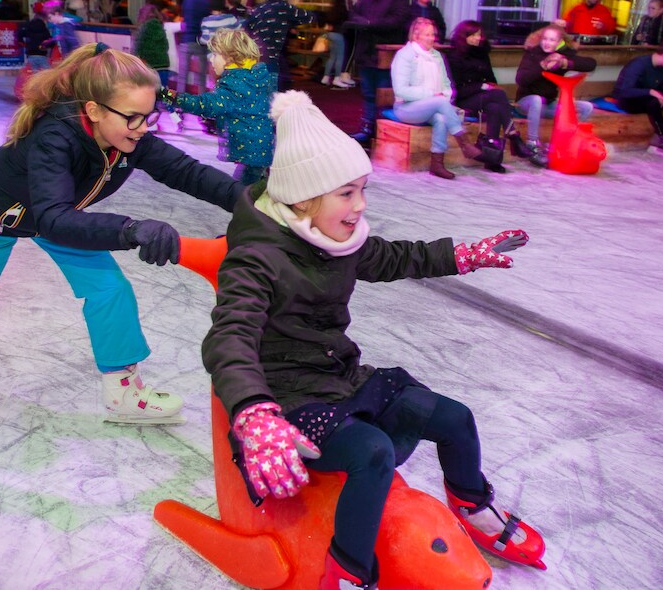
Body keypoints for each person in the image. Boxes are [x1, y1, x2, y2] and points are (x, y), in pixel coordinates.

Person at [202, 90, 542, 589]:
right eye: (346, 193)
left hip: (339, 379)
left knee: (454, 417)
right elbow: (229, 337)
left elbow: (397, 257)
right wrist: (254, 413)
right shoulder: (256, 260)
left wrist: (463, 255)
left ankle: (472, 503)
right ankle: (348, 571)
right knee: (373, 452)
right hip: (284, 402)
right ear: (302, 197)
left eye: (363, 189)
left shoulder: (337, 239)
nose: (360, 206)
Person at [0, 43, 243, 432]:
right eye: (133, 117)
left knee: (109, 290)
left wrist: (259, 203)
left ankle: (123, 391)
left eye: (149, 116)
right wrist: (130, 229)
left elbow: (188, 172)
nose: (144, 127)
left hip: (57, 215)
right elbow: (54, 219)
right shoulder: (55, 138)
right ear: (94, 110)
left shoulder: (129, 138)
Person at [160, 28, 274, 186]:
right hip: (261, 151)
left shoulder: (235, 84)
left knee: (238, 199)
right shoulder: (256, 76)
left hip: (252, 156)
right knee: (250, 199)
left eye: (214, 55)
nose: (211, 60)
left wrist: (168, 95)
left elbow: (205, 105)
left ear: (230, 56)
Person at [390, 18, 483, 180]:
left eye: (433, 34)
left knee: (441, 117)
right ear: (416, 35)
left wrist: (445, 96)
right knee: (439, 103)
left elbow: (446, 84)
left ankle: (437, 163)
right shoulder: (405, 55)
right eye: (427, 34)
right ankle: (465, 143)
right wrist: (432, 96)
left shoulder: (437, 56)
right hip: (406, 107)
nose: (432, 38)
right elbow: (401, 90)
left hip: (434, 105)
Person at [446, 20, 534, 173]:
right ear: (463, 36)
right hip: (464, 97)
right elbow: (458, 88)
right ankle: (513, 135)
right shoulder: (454, 56)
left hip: (486, 97)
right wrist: (482, 86)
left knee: (495, 106)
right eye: (472, 35)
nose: (477, 38)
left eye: (479, 35)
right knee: (498, 96)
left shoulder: (482, 53)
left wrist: (490, 86)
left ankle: (492, 159)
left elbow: (491, 79)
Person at [344, 0, 410, 146]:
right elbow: (355, 14)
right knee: (368, 93)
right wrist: (362, 23)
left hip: (385, 53)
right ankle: (367, 127)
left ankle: (384, 130)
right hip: (367, 51)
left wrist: (371, 24)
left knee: (384, 94)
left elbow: (398, 20)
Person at [514, 23, 597, 167]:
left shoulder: (562, 54)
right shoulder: (532, 53)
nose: (547, 43)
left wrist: (565, 62)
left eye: (552, 40)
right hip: (526, 102)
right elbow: (521, 80)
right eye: (545, 39)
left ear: (559, 42)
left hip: (548, 104)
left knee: (586, 107)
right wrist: (542, 66)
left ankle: (568, 141)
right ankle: (532, 143)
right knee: (536, 100)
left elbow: (591, 64)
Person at [613, 37, 663, 158]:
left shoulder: (661, 68)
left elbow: (658, 88)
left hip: (649, 97)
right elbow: (625, 91)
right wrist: (651, 92)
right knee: (653, 102)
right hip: (629, 100)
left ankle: (661, 133)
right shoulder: (639, 64)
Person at [244, 0, 314, 92]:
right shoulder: (283, 7)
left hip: (255, 60)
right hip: (270, 61)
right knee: (275, 94)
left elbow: (246, 27)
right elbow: (308, 17)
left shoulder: (259, 8)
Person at [176, 0, 211, 95]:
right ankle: (201, 104)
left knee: (182, 76)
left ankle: (179, 104)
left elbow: (185, 19)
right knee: (201, 77)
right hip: (201, 42)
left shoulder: (187, 2)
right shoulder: (209, 3)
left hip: (186, 40)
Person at [320, 0, 355, 89]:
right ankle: (337, 78)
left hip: (330, 34)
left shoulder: (333, 8)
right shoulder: (343, 9)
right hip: (339, 35)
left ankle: (325, 77)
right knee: (340, 57)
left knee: (332, 57)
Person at [17, 1, 51, 72]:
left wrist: (24, 44)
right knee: (47, 74)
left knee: (34, 75)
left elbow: (20, 35)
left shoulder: (28, 25)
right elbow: (50, 40)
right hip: (42, 53)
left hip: (31, 53)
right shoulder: (45, 26)